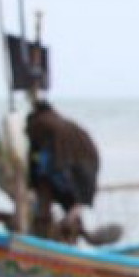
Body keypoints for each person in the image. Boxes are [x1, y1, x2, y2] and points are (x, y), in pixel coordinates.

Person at [25, 99, 100, 242]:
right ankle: (72, 231)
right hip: (84, 167)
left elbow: (34, 157)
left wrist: (31, 183)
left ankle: (50, 231)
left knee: (52, 196)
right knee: (73, 201)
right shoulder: (63, 124)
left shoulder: (38, 123)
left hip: (65, 167)